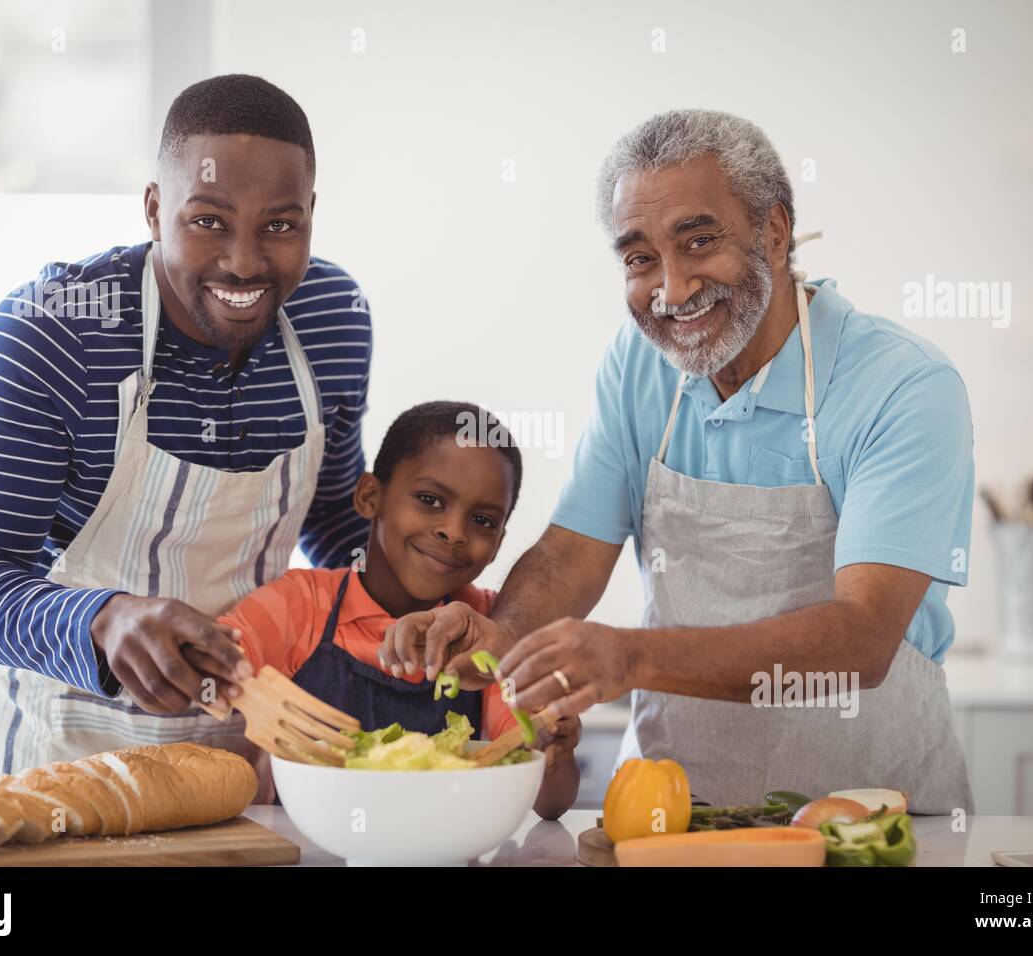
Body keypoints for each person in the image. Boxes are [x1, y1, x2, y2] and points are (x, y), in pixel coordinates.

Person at [382, 109, 976, 812]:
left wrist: (630, 657)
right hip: (673, 812)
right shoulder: (638, 365)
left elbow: (862, 638)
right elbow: (575, 549)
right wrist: (502, 638)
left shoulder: (902, 385)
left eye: (699, 241)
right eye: (639, 258)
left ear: (775, 234)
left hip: (874, 815)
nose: (673, 287)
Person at [0, 75, 373, 784]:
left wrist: (417, 620)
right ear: (153, 207)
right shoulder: (51, 332)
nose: (244, 261)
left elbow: (334, 524)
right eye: (208, 221)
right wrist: (103, 620)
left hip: (241, 765)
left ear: (311, 215)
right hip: (62, 761)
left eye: (279, 226)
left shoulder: (334, 321)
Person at [207, 402, 580, 819]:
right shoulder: (300, 604)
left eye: (482, 520)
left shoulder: (489, 630)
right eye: (430, 499)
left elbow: (551, 802)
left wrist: (554, 748)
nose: (454, 532)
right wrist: (201, 662)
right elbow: (212, 662)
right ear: (370, 496)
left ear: (498, 543)